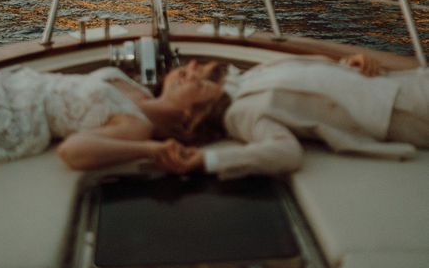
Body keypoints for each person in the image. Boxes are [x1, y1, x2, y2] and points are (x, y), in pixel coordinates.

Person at [153, 53, 429, 179]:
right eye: (181, 79)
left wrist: (347, 65)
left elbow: (309, 80)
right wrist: (209, 160)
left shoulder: (244, 79)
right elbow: (285, 152)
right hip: (405, 110)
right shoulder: (241, 115)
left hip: (402, 83)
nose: (190, 67)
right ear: (188, 116)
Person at [0, 64, 222, 171]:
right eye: (192, 73)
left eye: (198, 85)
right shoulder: (133, 86)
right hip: (1, 84)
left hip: (10, 115)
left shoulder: (136, 127)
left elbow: (72, 151)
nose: (190, 72)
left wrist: (150, 149)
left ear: (189, 117)